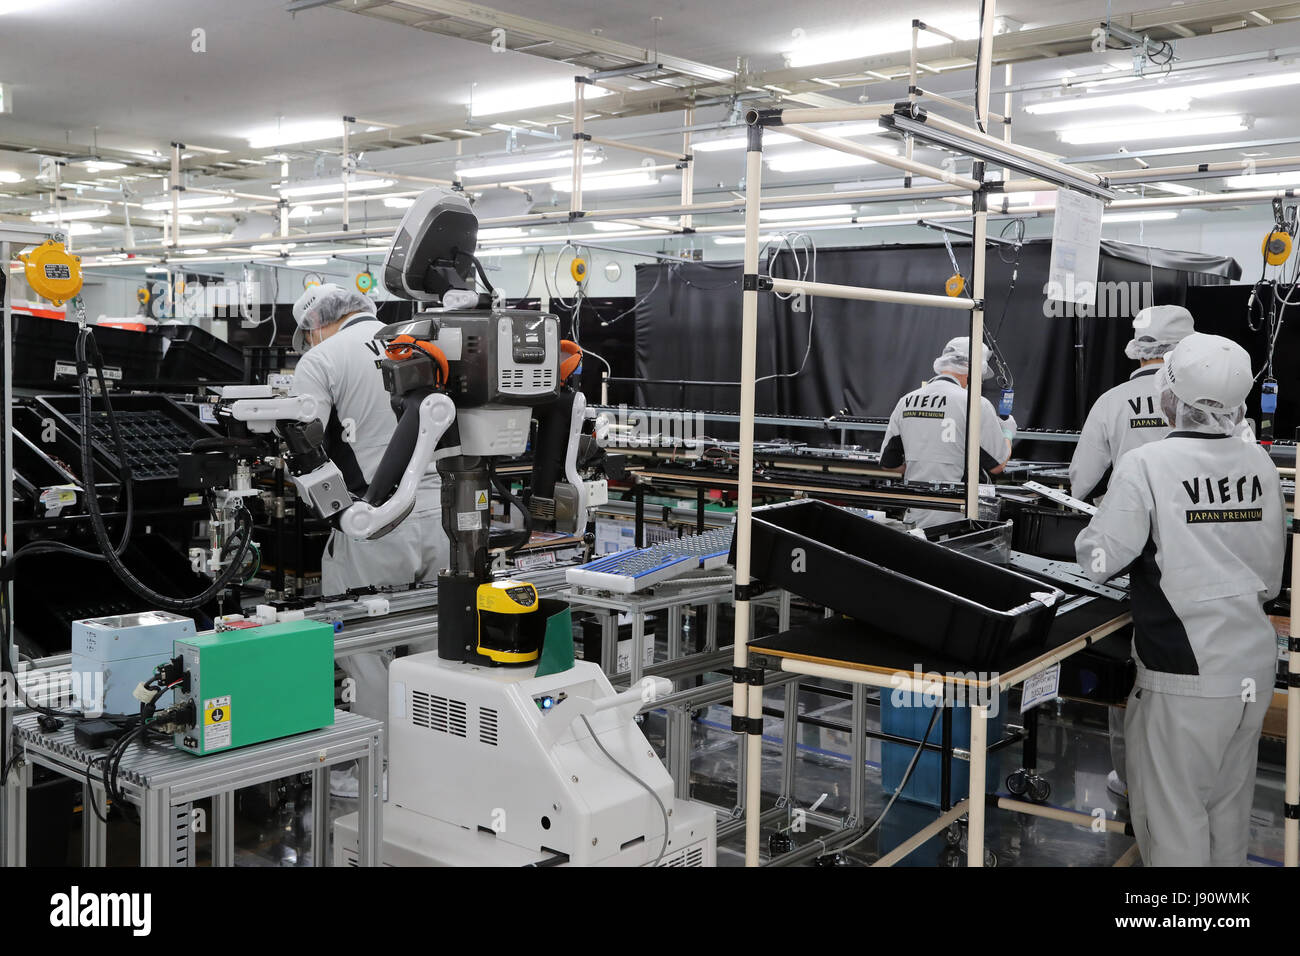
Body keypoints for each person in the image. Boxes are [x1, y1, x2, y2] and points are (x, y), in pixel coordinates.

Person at [1075, 333, 1285, 866]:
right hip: (1251, 667)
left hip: (1183, 675)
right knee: (1227, 810)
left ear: (1171, 394)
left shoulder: (1148, 463)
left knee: (1172, 824)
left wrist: (1098, 531)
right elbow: (1272, 577)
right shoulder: (1260, 464)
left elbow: (1100, 560)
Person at [290, 283, 449, 797]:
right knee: (433, 643)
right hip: (443, 515)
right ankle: (432, 765)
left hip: (376, 520)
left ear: (317, 325)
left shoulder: (321, 359)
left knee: (364, 648)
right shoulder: (419, 341)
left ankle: (372, 772)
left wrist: (334, 512)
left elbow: (301, 441)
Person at [1068, 304, 1195, 802]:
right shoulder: (1202, 400)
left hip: (1125, 554)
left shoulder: (1112, 401)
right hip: (1193, 554)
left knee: (1129, 669)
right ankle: (1184, 778)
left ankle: (1131, 777)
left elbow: (1081, 481)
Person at [879, 336, 1014, 528]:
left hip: (916, 516)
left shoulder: (906, 401)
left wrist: (923, 465)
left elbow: (889, 465)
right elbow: (998, 465)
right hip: (959, 520)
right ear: (974, 370)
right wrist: (1008, 433)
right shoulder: (975, 403)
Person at [1070, 304, 1194, 502]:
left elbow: (1085, 479)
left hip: (1127, 518)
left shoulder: (1110, 401)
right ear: (1185, 348)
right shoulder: (1202, 398)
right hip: (1190, 519)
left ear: (1137, 348)